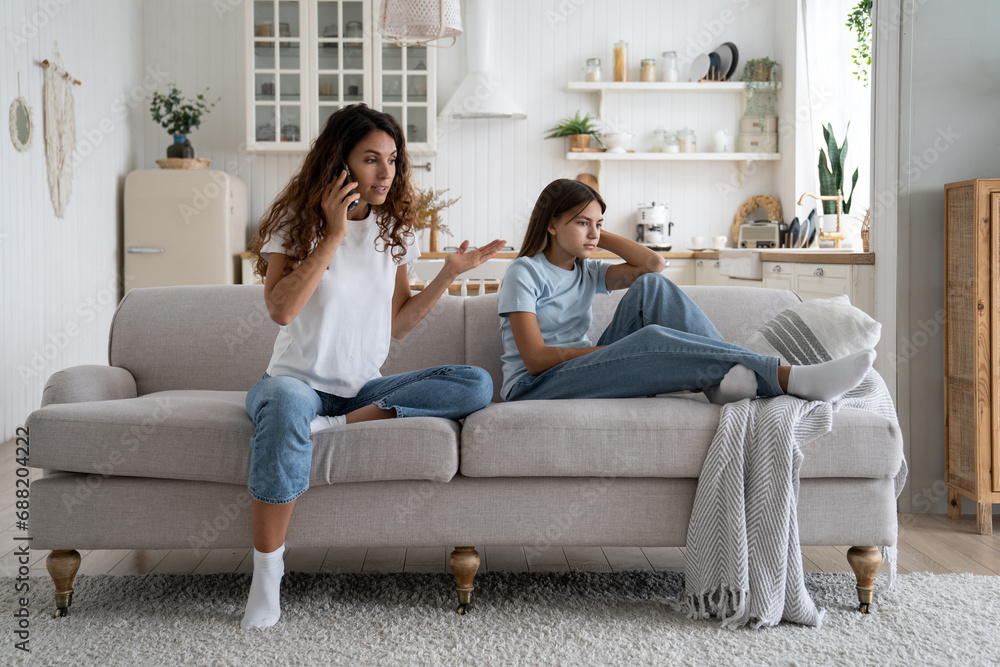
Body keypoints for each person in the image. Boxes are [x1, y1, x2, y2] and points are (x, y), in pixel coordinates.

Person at [243, 104, 504, 630]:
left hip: (361, 391)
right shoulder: (298, 222)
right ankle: (267, 579)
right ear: (340, 163)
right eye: (371, 159)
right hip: (293, 384)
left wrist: (448, 274)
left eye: (393, 158)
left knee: (475, 382)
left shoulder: (395, 229)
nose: (386, 172)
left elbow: (399, 325)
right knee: (289, 402)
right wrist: (333, 235)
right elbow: (282, 310)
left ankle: (334, 425)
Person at [497, 178, 874, 406]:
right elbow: (536, 360)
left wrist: (593, 231)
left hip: (579, 369)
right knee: (651, 339)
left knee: (652, 287)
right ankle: (787, 377)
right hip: (536, 385)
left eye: (598, 223)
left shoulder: (585, 269)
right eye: (582, 223)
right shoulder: (524, 272)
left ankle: (719, 385)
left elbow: (653, 265)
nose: (594, 232)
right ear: (551, 225)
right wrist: (614, 353)